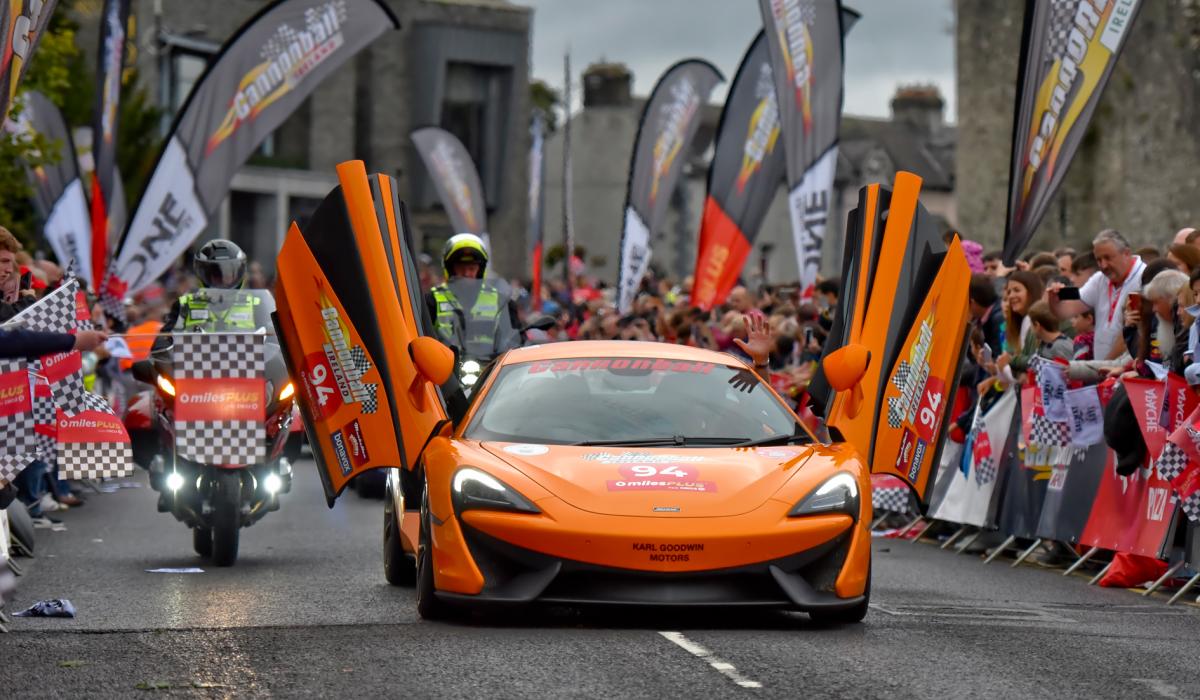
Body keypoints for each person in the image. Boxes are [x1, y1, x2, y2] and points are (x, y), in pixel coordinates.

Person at [1049, 229, 1146, 361]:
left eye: (1107, 258)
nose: (1103, 265)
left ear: (1126, 253)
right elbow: (1066, 312)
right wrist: (1054, 301)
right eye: (1098, 260)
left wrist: (1100, 368)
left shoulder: (1144, 278)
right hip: (1104, 369)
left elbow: (1129, 334)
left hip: (1125, 369)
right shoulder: (1100, 279)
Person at [424, 233, 522, 353]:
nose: (466, 273)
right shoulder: (431, 300)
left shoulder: (501, 301)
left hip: (491, 367)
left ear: (480, 270)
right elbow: (422, 337)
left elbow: (516, 340)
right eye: (461, 268)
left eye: (471, 268)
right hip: (443, 367)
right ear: (450, 268)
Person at [157, 239, 268, 337]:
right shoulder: (184, 304)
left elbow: (274, 341)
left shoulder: (256, 304)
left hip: (246, 360)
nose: (223, 280)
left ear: (240, 273)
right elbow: (164, 342)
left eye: (229, 274)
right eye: (217, 275)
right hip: (197, 360)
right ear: (203, 274)